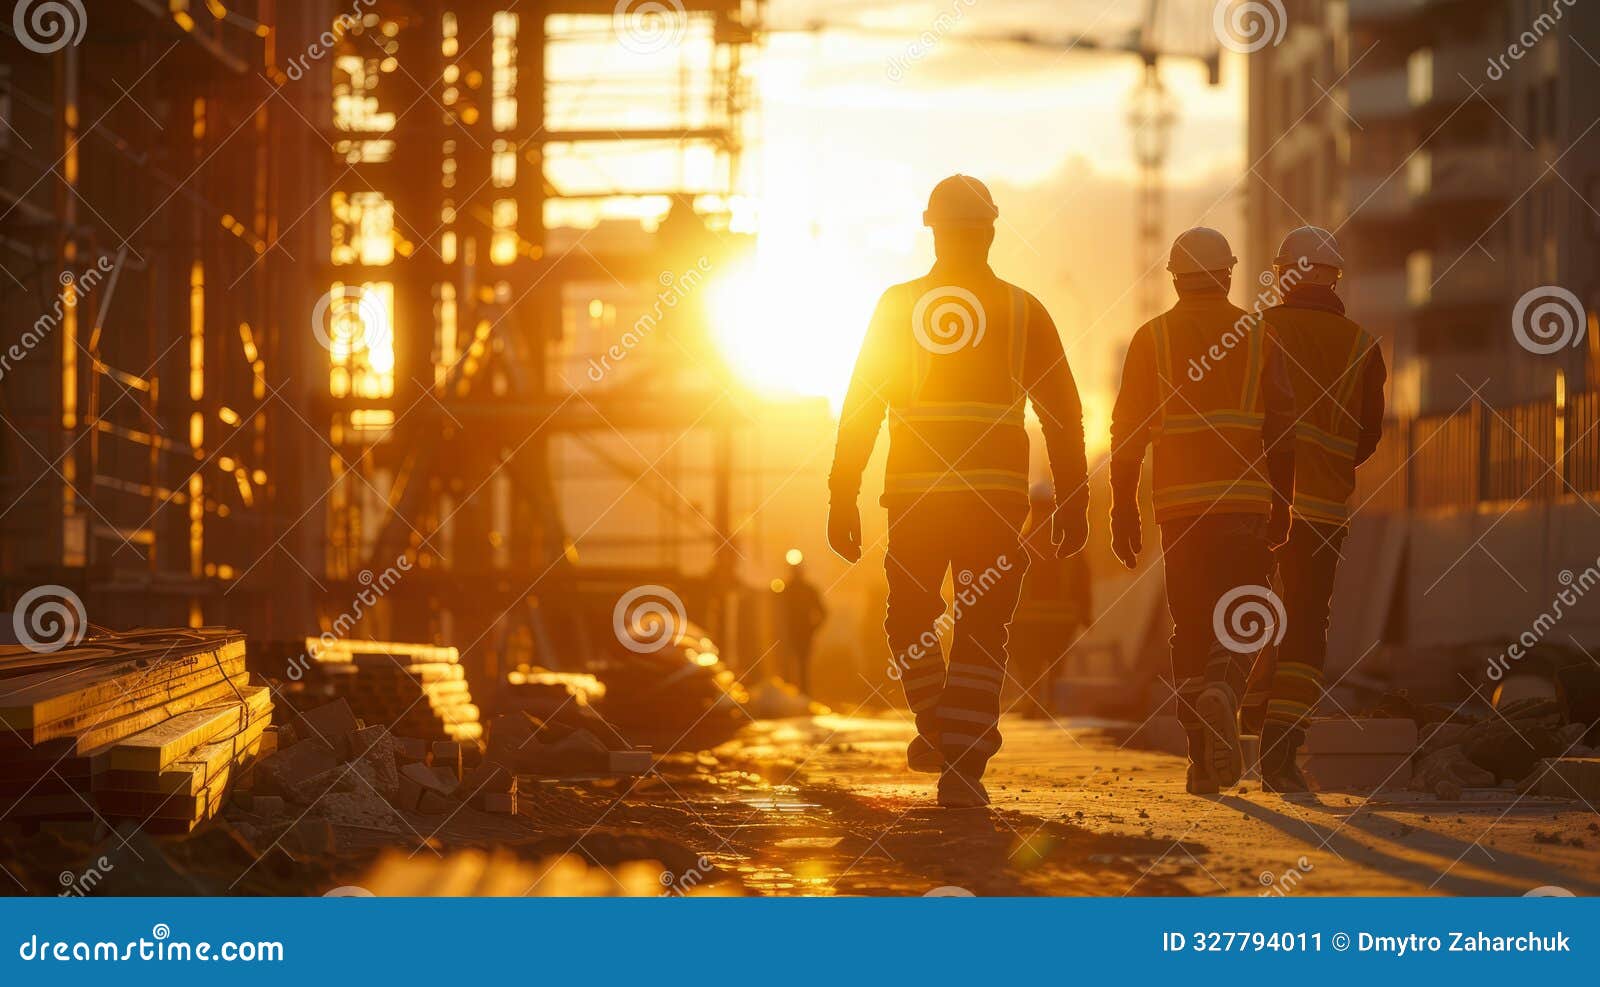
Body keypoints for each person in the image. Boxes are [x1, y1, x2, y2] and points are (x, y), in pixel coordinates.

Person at [827, 175, 1090, 808]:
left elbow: (861, 406)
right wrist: (1074, 499)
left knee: (910, 619)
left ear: (933, 231)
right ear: (992, 231)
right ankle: (962, 758)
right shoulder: (1024, 310)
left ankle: (940, 728)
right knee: (982, 625)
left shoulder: (898, 306)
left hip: (916, 498)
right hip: (995, 502)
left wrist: (842, 495)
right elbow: (1063, 414)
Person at [1108, 227, 1296, 795]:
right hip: (1243, 503)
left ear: (1174, 278)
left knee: (1189, 627)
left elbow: (1126, 434)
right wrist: (1283, 501)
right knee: (1250, 608)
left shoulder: (1151, 337)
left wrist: (1123, 512)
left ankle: (1200, 761)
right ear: (1228, 274)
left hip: (1178, 509)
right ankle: (1225, 685)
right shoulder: (1259, 334)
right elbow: (1282, 428)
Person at [1242, 227, 1385, 793]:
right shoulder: (1362, 345)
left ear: (1281, 275)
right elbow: (1368, 434)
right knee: (1303, 630)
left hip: (1251, 505)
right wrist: (1329, 467)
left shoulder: (1255, 333)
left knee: (1239, 612)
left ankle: (1232, 725)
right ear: (1333, 278)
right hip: (1320, 513)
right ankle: (1279, 754)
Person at [1011, 482, 1093, 717]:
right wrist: (1086, 613)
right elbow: (1083, 579)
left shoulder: (1021, 543)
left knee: (1029, 662)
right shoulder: (1067, 544)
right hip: (1061, 619)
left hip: (1026, 620)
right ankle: (1046, 701)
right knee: (1053, 661)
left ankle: (1034, 700)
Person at [776, 554, 828, 697]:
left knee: (801, 665)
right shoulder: (785, 590)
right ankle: (793, 697)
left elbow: (823, 612)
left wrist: (813, 628)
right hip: (790, 634)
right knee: (790, 666)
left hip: (801, 634)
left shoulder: (807, 590)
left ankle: (802, 696)